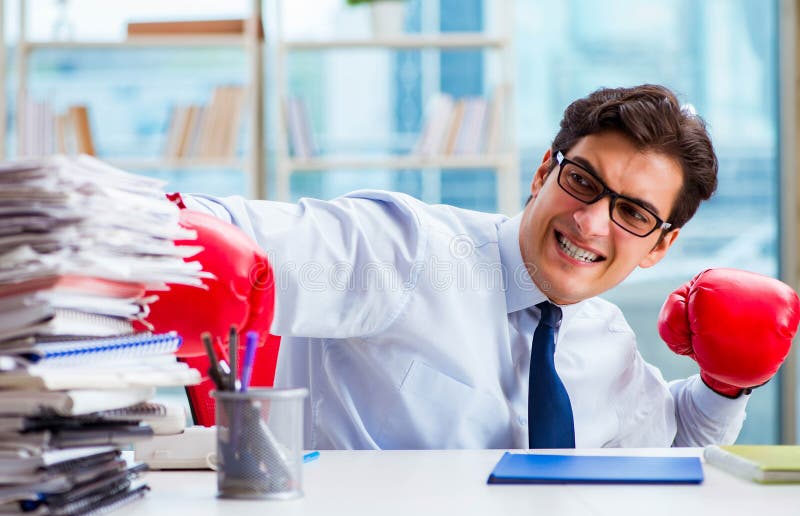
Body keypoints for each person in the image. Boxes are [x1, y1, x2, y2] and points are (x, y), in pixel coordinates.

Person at [147, 84, 799, 449]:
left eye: (631, 213)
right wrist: (85, 223)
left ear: (660, 247)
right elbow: (226, 228)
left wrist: (724, 384)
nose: (591, 222)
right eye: (582, 182)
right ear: (545, 171)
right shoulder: (402, 251)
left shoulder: (606, 345)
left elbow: (674, 440)